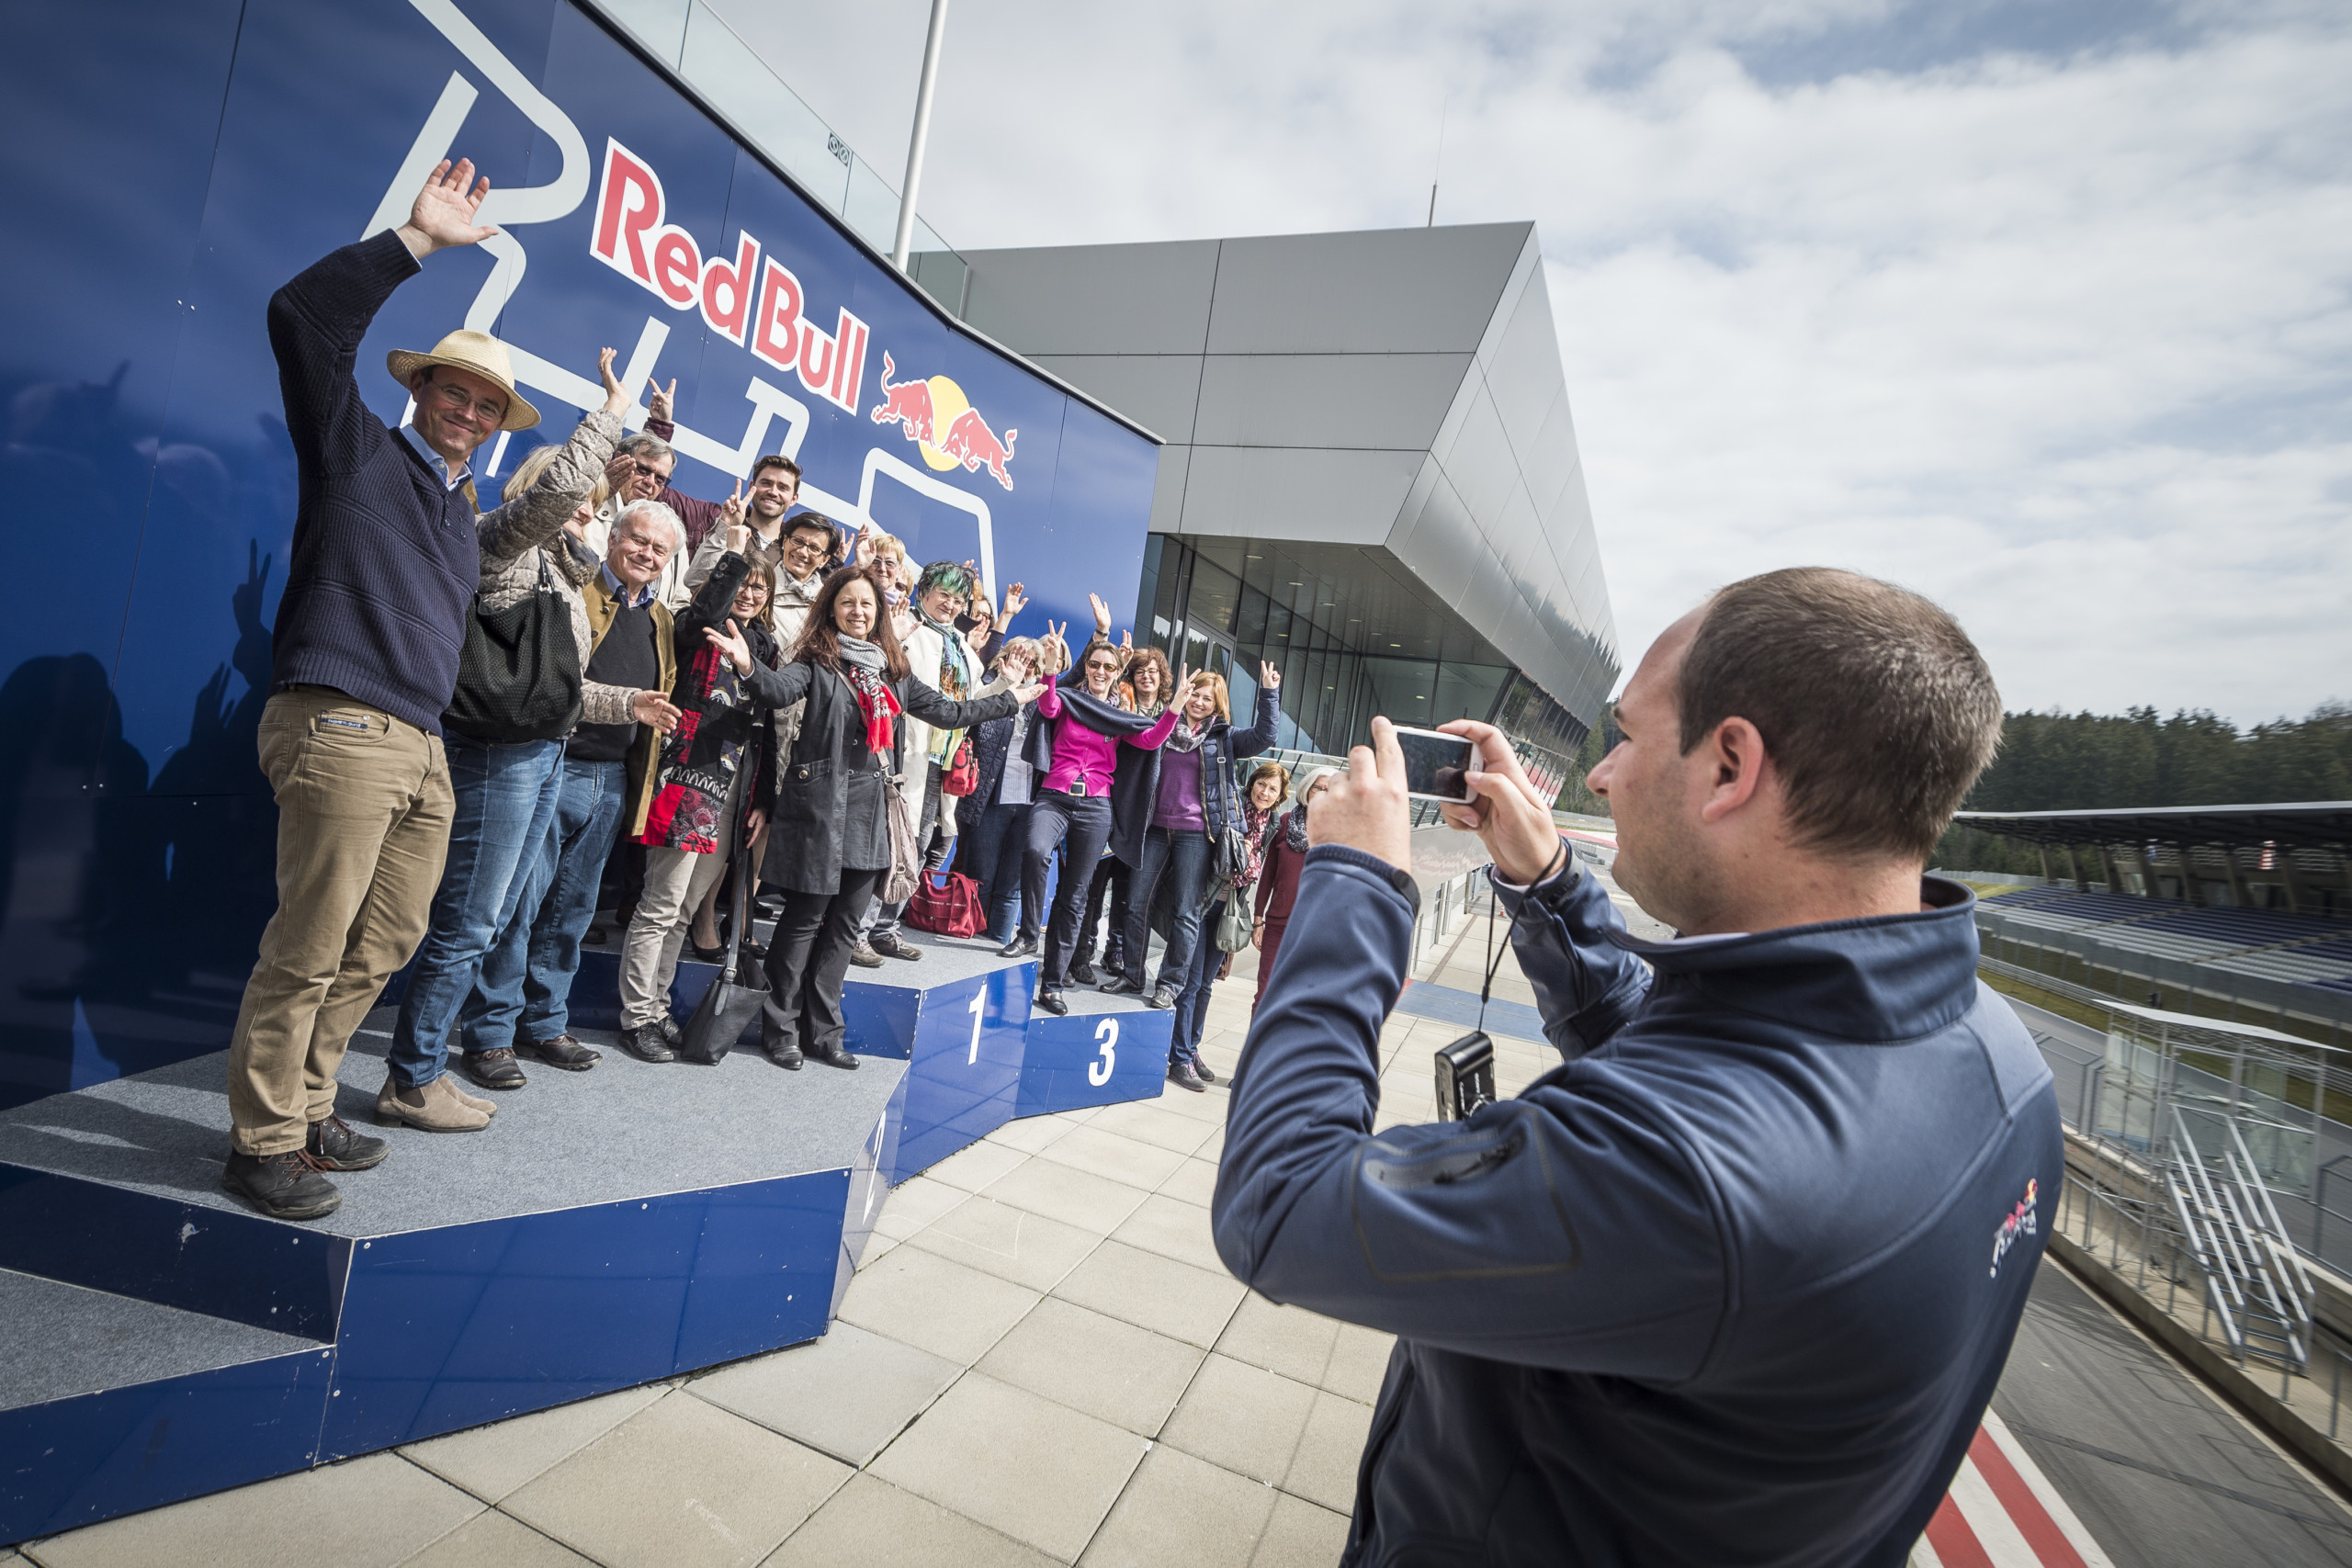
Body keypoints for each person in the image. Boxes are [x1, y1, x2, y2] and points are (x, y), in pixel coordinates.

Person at [1210, 568, 2061, 1565]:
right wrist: (1550, 883)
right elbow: (1706, 1065)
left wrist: (1353, 879)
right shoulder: (2002, 1059)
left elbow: (1279, 1205)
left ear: (1729, 765)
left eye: (1625, 737)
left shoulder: (1694, 1173)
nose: (1602, 776)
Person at [223, 158, 540, 1218]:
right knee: (309, 946)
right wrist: (418, 241)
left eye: (487, 403)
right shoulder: (356, 451)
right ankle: (261, 1141)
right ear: (420, 390)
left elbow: (541, 532)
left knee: (385, 942)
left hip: (419, 746)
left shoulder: (461, 519)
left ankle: (309, 1106)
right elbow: (304, 319)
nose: (469, 409)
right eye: (456, 389)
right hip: (341, 724)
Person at [380, 354, 682, 1118]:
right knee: (473, 919)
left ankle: (427, 1065)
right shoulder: (501, 547)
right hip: (498, 755)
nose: (590, 516)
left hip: (545, 753)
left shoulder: (565, 571)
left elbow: (561, 685)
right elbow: (555, 496)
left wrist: (627, 705)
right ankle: (413, 1075)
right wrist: (613, 411)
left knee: (498, 915)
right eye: (583, 506)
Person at [707, 566, 1036, 1067]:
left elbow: (951, 713)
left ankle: (825, 1032)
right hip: (818, 810)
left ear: (879, 613)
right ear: (831, 610)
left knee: (843, 927)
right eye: (847, 604)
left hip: (872, 813)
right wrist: (749, 668)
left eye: (866, 604)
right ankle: (779, 1029)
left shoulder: (894, 671)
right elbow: (775, 691)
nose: (857, 612)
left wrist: (1010, 699)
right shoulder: (816, 662)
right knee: (802, 922)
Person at [462, 500, 682, 1080]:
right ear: (613, 536)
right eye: (638, 540)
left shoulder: (659, 618)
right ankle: (490, 1035)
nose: (646, 554)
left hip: (613, 780)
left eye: (660, 550)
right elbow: (555, 674)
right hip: (552, 765)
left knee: (572, 911)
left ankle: (545, 1024)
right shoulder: (579, 590)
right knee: (520, 906)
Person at [612, 539, 773, 1062]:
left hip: (730, 792)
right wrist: (737, 554)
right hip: (686, 781)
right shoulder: (695, 627)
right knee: (659, 906)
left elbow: (768, 724)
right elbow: (710, 604)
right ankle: (636, 1017)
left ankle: (657, 1008)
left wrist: (762, 799)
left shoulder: (763, 648)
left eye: (759, 586)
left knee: (683, 912)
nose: (750, 592)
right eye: (743, 583)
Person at [1010, 632, 1179, 1014]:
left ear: (1118, 673)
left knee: (1076, 896)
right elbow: (1049, 706)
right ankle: (1028, 933)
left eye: (1108, 666)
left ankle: (1053, 985)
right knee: (1036, 850)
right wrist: (1053, 670)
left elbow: (1151, 741)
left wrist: (1175, 708)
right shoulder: (1070, 699)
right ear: (1086, 668)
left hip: (1096, 807)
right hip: (1055, 795)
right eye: (1094, 664)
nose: (1100, 671)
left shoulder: (1120, 716)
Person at [1102, 666, 1283, 1014]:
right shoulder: (1164, 726)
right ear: (1185, 695)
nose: (1199, 701)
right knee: (1137, 903)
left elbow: (1265, 735)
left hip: (1197, 835)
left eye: (1207, 697)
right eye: (1195, 694)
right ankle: (1133, 974)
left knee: (1187, 912)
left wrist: (1268, 693)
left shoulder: (1224, 738)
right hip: (1155, 829)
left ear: (1218, 704)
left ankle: (1169, 985)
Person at [1164, 760, 1289, 1090]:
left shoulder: (1272, 824)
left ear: (1280, 796)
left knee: (1205, 985)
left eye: (1273, 789)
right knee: (1189, 984)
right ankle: (1178, 1058)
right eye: (1262, 784)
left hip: (1228, 911)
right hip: (1204, 903)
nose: (1265, 792)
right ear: (1253, 783)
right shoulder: (1233, 809)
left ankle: (1190, 1050)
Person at [959, 636, 1053, 943]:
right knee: (981, 878)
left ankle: (997, 946)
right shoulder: (992, 689)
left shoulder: (1044, 703)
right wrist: (1007, 681)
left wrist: (1100, 636)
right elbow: (974, 707)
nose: (1025, 666)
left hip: (1029, 805)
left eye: (1032, 662)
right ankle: (967, 946)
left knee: (1011, 887)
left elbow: (1070, 682)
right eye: (1018, 657)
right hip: (990, 801)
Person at [1250, 765, 1332, 1009]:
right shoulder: (1285, 822)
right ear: (1308, 789)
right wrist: (1258, 919)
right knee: (1264, 996)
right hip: (1277, 926)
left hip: (1315, 931)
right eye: (1319, 787)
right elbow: (1268, 875)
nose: (1324, 794)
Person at [680, 451, 804, 591]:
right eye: (766, 483)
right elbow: (695, 581)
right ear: (752, 486)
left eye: (783, 488)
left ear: (794, 499)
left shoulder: (793, 549)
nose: (773, 492)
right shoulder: (726, 526)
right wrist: (726, 527)